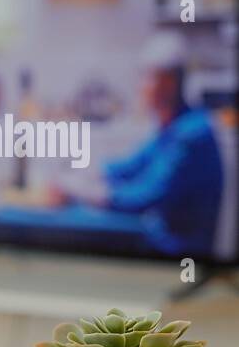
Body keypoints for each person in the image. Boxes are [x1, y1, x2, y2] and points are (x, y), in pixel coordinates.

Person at [58, 32, 224, 257]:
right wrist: (85, 174)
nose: (141, 87)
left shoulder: (192, 133)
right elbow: (133, 164)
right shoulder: (173, 127)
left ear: (168, 82)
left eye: (147, 78)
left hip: (177, 252)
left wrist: (90, 192)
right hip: (160, 238)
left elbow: (148, 195)